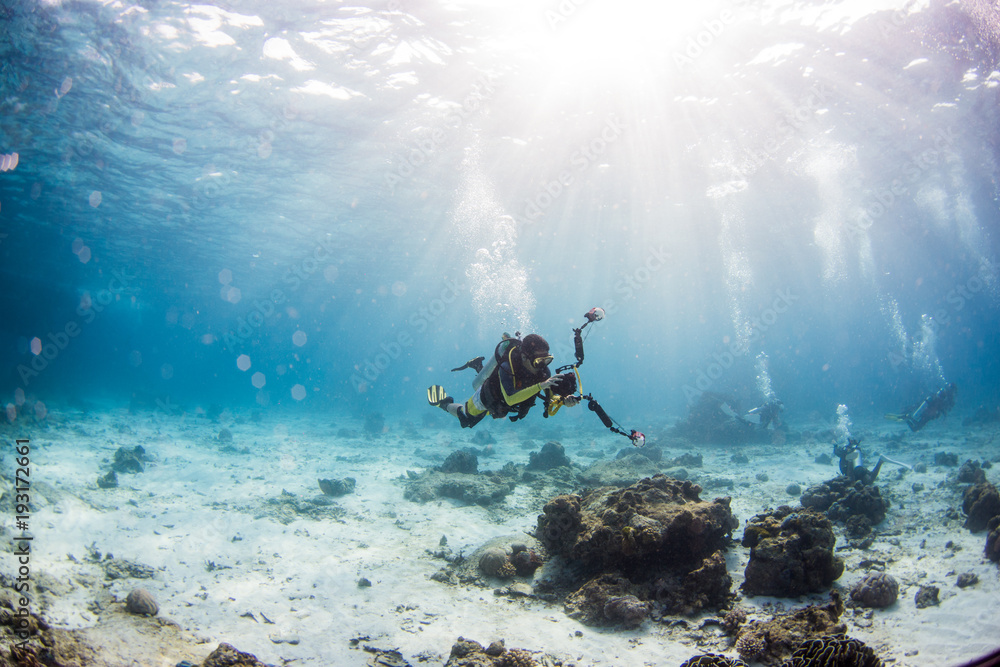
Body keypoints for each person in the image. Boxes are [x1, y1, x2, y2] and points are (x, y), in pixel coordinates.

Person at [427, 333, 578, 429]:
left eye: (547, 359)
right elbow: (510, 398)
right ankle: (444, 403)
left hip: (503, 404)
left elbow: (551, 397)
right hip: (490, 396)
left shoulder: (543, 371)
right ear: (525, 357)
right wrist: (541, 385)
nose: (543, 365)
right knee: (466, 418)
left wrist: (564, 400)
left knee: (497, 385)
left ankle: (478, 366)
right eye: (539, 360)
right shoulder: (507, 365)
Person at [886, 383, 957, 432]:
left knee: (916, 428)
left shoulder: (944, 396)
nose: (954, 393)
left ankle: (907, 417)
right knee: (916, 428)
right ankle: (908, 417)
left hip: (929, 413)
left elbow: (941, 407)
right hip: (929, 413)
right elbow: (941, 407)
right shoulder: (946, 397)